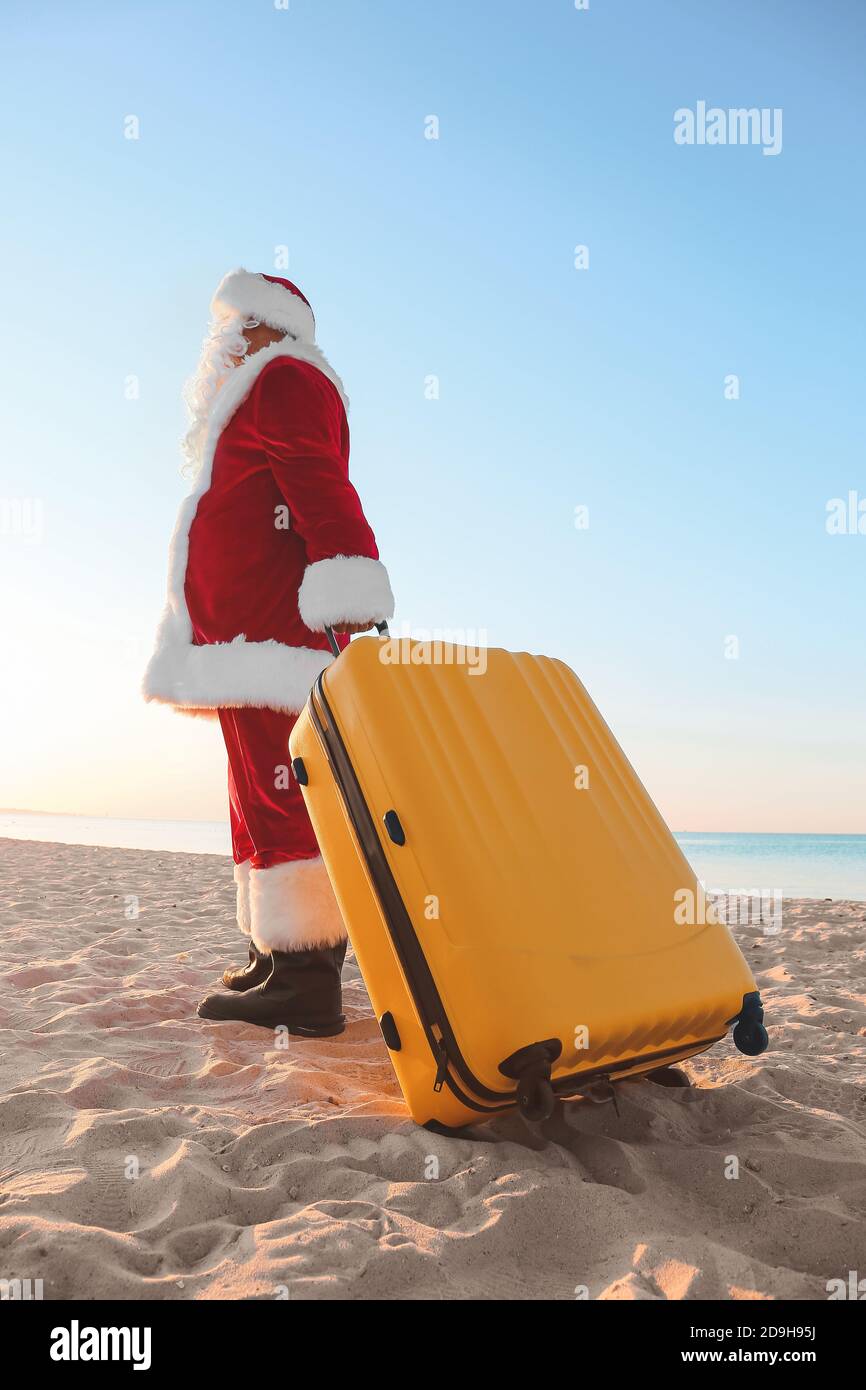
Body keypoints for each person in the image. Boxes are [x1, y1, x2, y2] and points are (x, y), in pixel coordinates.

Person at [143, 269, 394, 1036]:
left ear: (262, 323)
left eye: (232, 325)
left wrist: (349, 589)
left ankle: (307, 981)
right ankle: (274, 951)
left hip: (275, 633)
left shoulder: (286, 375)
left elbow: (319, 484)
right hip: (242, 633)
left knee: (286, 789)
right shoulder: (259, 383)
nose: (219, 340)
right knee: (253, 791)